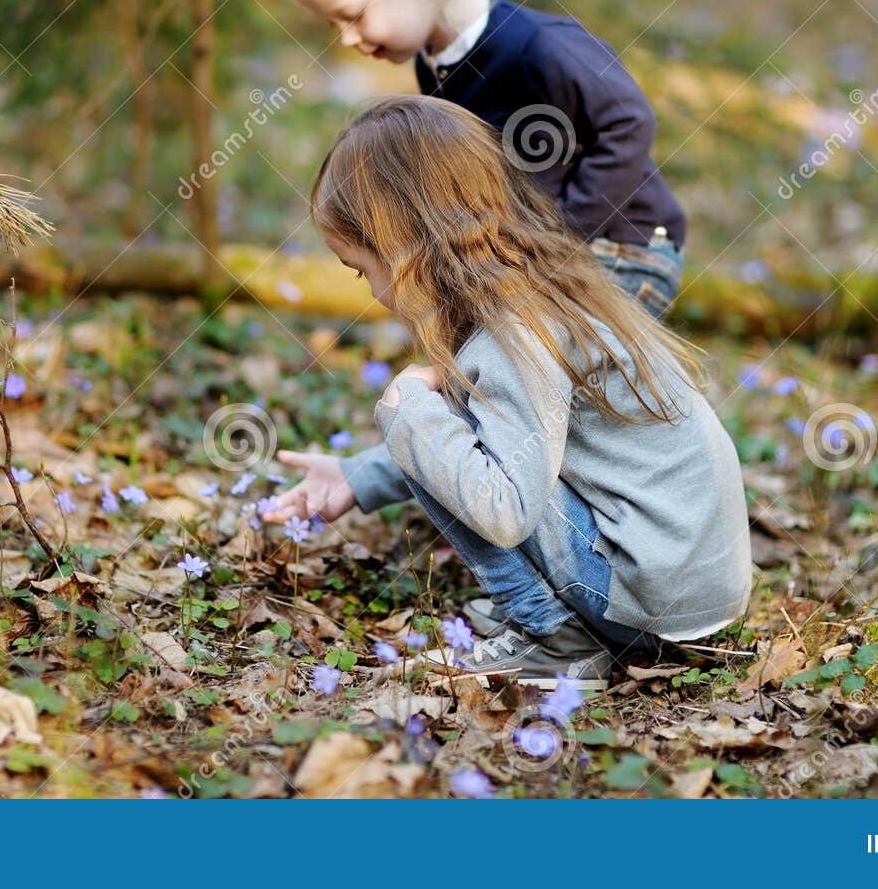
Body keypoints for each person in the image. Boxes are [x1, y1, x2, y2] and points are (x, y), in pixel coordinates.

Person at [261, 96, 752, 690]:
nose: (374, 294)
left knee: (418, 418)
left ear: (406, 247)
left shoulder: (511, 337)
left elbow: (502, 510)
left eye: (364, 269)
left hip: (655, 601)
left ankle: (552, 634)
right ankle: (571, 622)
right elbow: (488, 438)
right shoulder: (548, 291)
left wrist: (409, 408)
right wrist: (355, 476)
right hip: (690, 587)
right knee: (430, 425)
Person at [287, 0, 687, 320]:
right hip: (547, 262)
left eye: (354, 14)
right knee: (500, 350)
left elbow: (628, 120)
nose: (347, 37)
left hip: (623, 249)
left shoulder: (538, 47)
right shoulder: (435, 67)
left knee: (559, 365)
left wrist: (566, 235)